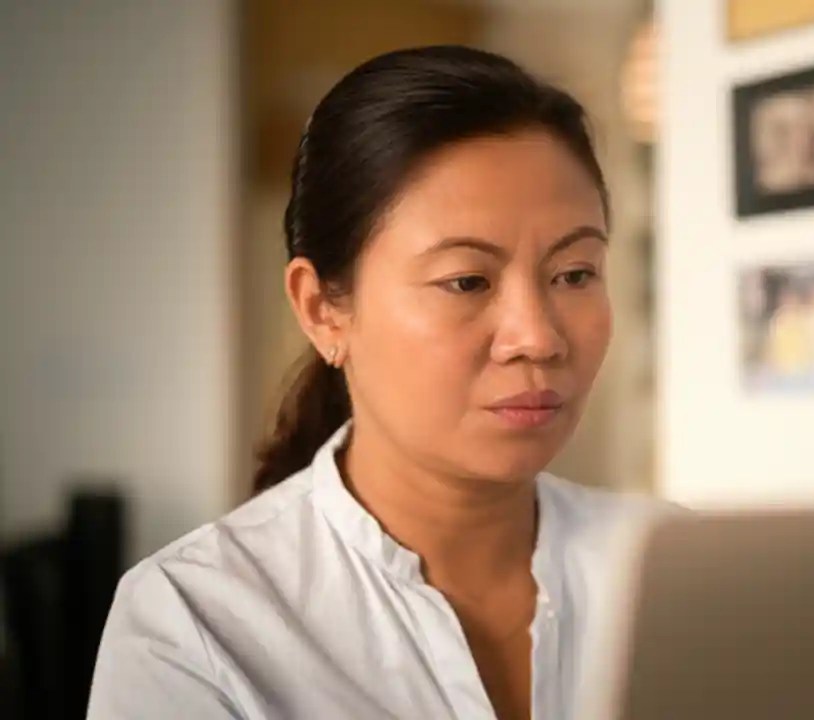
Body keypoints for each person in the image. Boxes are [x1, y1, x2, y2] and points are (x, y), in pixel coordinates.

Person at [87, 46, 676, 720]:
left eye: (574, 274)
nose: (537, 337)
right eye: (467, 281)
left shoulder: (682, 575)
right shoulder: (197, 622)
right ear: (321, 309)